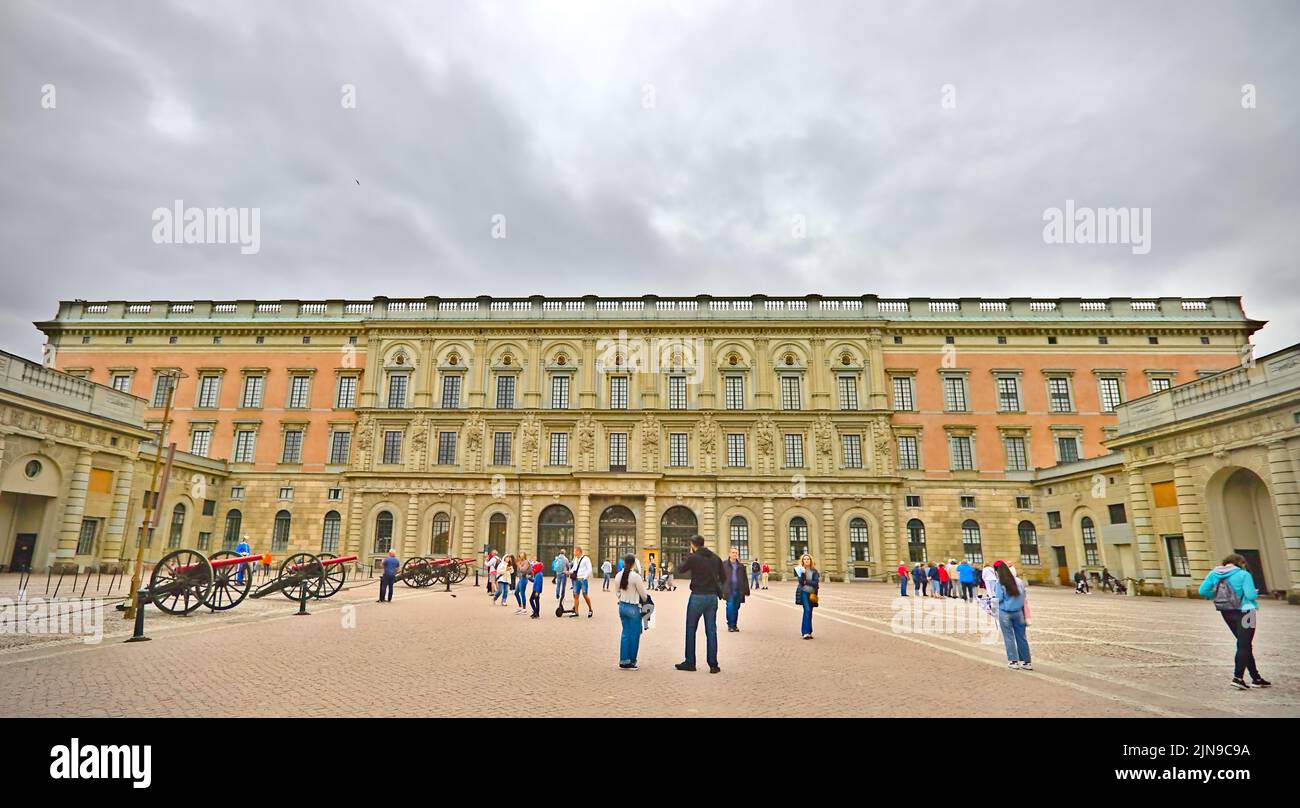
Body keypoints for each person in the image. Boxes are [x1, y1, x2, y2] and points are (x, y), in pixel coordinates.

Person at [1198, 554, 1270, 690]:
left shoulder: (1214, 573)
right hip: (1246, 611)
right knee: (1244, 645)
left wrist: (1217, 595)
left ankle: (1256, 678)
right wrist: (1254, 593)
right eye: (1243, 563)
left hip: (1226, 611)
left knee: (1244, 644)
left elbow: (1202, 590)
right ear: (1240, 562)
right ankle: (1238, 678)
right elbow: (1250, 595)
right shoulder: (1243, 574)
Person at [675, 536, 723, 673]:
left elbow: (681, 569)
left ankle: (690, 662)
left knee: (691, 629)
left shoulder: (693, 557)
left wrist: (690, 555)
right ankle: (713, 664)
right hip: (712, 597)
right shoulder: (715, 558)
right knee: (711, 631)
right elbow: (723, 577)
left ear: (693, 545)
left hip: (697, 596)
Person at [991, 561, 1031, 669]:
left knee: (1009, 637)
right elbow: (1024, 596)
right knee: (1021, 637)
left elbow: (998, 598)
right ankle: (1026, 661)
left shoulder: (1000, 583)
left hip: (1005, 612)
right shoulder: (1019, 581)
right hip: (1019, 612)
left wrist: (991, 603)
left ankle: (1013, 661)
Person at [617, 555, 651, 669]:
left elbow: (617, 592)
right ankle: (632, 661)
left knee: (625, 633)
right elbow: (643, 595)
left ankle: (623, 659)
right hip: (634, 607)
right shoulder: (636, 577)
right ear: (633, 564)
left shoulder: (618, 575)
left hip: (622, 606)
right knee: (635, 635)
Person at [721, 547, 751, 632]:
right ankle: (730, 625)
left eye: (736, 553)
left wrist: (746, 591)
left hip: (738, 590)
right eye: (733, 552)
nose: (734, 554)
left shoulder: (741, 566)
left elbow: (744, 579)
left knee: (736, 608)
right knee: (730, 606)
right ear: (729, 554)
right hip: (729, 589)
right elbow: (720, 577)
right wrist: (721, 589)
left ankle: (734, 625)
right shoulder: (724, 565)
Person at [795, 553, 820, 639]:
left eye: (808, 559)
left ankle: (809, 631)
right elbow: (801, 582)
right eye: (805, 559)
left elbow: (816, 583)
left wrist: (807, 582)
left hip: (812, 593)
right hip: (804, 592)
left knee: (810, 612)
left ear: (810, 561)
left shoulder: (814, 571)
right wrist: (804, 575)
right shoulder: (800, 570)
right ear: (802, 561)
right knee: (807, 610)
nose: (806, 560)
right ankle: (805, 632)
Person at [569, 547, 594, 618]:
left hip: (583, 580)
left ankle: (590, 609)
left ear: (579, 551)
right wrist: (569, 572)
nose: (574, 553)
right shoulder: (576, 559)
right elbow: (574, 568)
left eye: (575, 552)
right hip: (576, 580)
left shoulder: (586, 559)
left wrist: (585, 577)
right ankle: (576, 612)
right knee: (576, 596)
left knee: (585, 595)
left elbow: (589, 569)